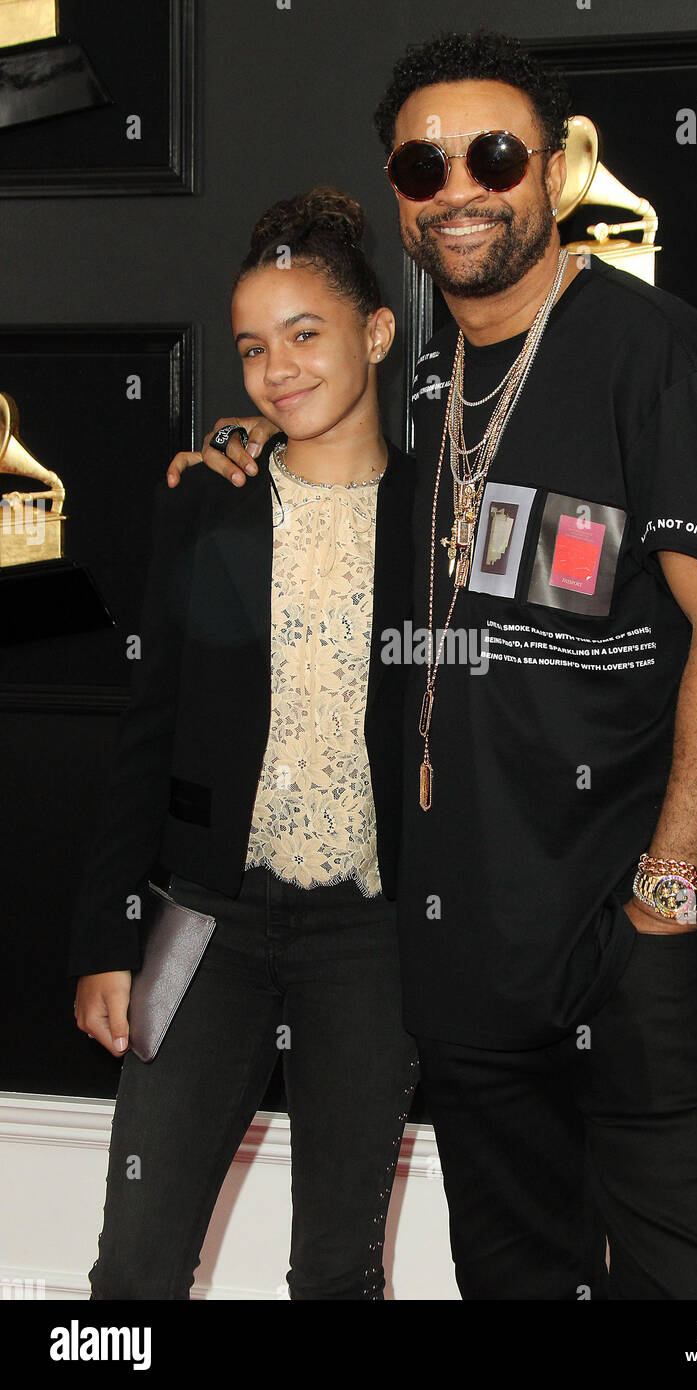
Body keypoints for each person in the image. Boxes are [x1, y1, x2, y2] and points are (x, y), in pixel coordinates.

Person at [178, 31, 697, 1300]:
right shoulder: (425, 389)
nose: (457, 185)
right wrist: (242, 439)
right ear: (400, 194)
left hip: (635, 941)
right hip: (468, 949)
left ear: (559, 171)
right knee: (515, 1278)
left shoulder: (661, 357)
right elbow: (325, 452)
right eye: (423, 163)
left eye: (494, 154)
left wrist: (669, 889)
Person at [68, 188, 419, 1300]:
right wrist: (102, 936)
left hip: (372, 935)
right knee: (132, 1266)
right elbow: (148, 725)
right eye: (253, 348)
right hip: (203, 918)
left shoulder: (435, 515)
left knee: (335, 1268)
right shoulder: (206, 505)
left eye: (306, 335)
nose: (278, 370)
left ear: (376, 331)